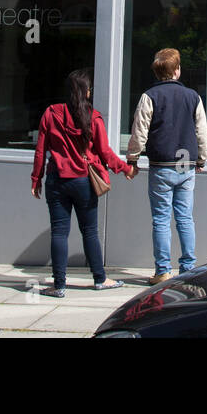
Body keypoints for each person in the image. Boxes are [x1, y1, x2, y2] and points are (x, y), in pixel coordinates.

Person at [31, 67, 134, 297]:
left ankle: (58, 285)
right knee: (89, 231)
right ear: (86, 92)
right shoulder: (93, 117)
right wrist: (125, 168)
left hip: (57, 180)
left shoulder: (51, 113)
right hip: (83, 181)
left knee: (59, 232)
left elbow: (40, 150)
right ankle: (99, 279)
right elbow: (105, 152)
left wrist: (36, 178)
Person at [126, 47, 207, 284]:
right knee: (185, 217)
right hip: (186, 164)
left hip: (161, 163)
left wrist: (133, 158)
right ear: (177, 70)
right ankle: (188, 268)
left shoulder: (149, 96)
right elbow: (201, 131)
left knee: (161, 219)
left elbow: (139, 131)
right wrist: (201, 158)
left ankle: (163, 270)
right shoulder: (193, 97)